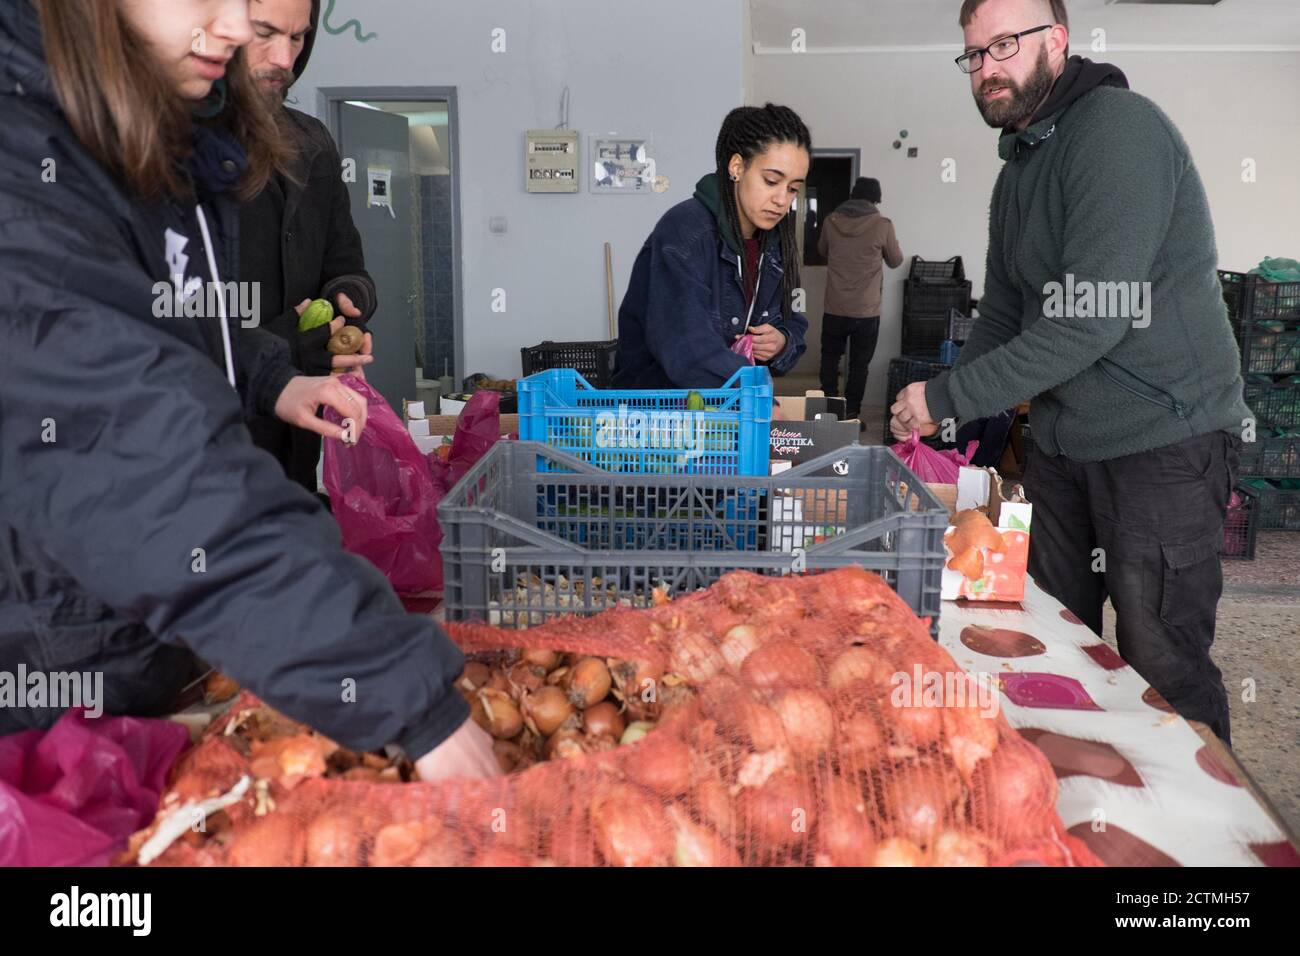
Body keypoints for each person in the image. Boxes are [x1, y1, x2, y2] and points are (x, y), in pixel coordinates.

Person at [0, 0, 498, 781]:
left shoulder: (167, 126)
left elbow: (169, 322)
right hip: (47, 678)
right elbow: (141, 466)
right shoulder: (28, 157)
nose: (235, 30)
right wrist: (409, 700)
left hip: (151, 639)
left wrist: (269, 376)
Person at [890, 0, 1249, 743]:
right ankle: (1077, 818)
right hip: (1063, 446)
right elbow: (1004, 316)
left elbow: (1090, 318)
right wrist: (940, 401)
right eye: (974, 55)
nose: (987, 68)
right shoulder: (1019, 172)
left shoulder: (1119, 131)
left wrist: (948, 395)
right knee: (1052, 639)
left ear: (1056, 40)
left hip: (1163, 441)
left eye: (1004, 46)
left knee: (1160, 663)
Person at [241, 0, 376, 496]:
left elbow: (346, 263)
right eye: (265, 33)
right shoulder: (173, 150)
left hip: (298, 433)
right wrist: (286, 345)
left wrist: (350, 302)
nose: (284, 58)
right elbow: (164, 330)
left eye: (298, 38)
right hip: (208, 438)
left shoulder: (311, 141)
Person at [613, 103, 811, 389]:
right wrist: (753, 396)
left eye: (793, 188)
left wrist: (783, 341)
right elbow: (687, 345)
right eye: (771, 181)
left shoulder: (778, 246)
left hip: (722, 411)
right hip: (656, 415)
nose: (782, 199)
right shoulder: (685, 233)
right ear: (737, 167)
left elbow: (796, 316)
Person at [817, 177, 902, 425]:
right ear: (875, 200)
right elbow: (895, 260)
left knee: (830, 358)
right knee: (859, 365)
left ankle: (829, 412)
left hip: (835, 306)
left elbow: (822, 250)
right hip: (866, 311)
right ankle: (851, 414)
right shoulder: (882, 225)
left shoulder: (831, 222)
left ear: (852, 196)